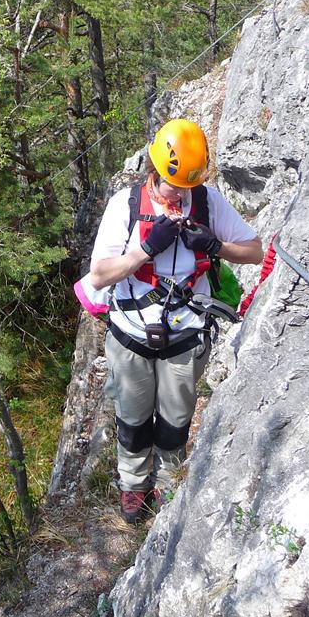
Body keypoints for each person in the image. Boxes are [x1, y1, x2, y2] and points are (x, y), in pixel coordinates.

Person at [85, 118, 262, 523]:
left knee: (176, 418)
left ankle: (168, 482)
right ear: (154, 170)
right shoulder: (126, 206)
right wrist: (145, 250)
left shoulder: (207, 201)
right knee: (131, 417)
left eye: (187, 186)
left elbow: (254, 251)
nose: (180, 194)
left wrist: (215, 245)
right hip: (130, 332)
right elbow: (99, 275)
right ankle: (133, 485)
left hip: (185, 331)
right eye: (173, 185)